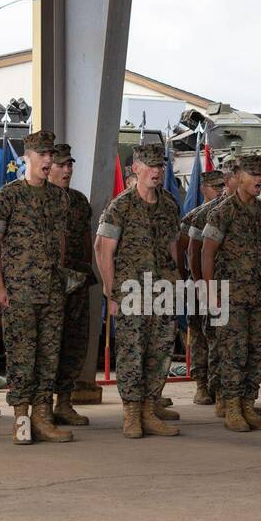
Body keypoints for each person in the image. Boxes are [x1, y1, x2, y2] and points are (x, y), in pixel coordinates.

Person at [0, 130, 73, 443]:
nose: (48, 161)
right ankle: (21, 421)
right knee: (22, 358)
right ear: (27, 158)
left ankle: (42, 417)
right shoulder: (7, 196)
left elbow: (60, 240)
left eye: (51, 155)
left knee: (48, 357)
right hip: (19, 292)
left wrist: (59, 275)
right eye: (42, 155)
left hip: (51, 291)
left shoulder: (58, 197)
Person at [95, 143, 182, 437]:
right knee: (132, 353)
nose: (157, 171)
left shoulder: (169, 205)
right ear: (136, 169)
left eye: (161, 166)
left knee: (160, 352)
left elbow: (172, 246)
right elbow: (104, 251)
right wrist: (111, 293)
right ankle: (131, 414)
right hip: (131, 292)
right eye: (151, 166)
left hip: (163, 291)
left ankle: (149, 410)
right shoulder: (121, 206)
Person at [201, 153, 261, 432]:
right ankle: (231, 406)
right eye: (253, 175)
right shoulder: (222, 212)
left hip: (259, 296)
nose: (258, 180)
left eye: (260, 175)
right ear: (238, 177)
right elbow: (206, 253)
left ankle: (248, 404)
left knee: (258, 351)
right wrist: (210, 291)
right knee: (233, 353)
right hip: (230, 295)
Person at [50, 142, 94, 427]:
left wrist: (87, 271)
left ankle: (64, 403)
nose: (67, 170)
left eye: (70, 165)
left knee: (74, 344)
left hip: (77, 281)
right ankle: (40, 406)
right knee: (47, 346)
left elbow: (87, 239)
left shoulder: (79, 201)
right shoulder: (39, 198)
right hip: (48, 284)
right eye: (61, 165)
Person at [180, 168, 225, 405]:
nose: (219, 191)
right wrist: (196, 281)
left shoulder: (224, 212)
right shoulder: (196, 216)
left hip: (221, 285)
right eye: (214, 186)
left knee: (219, 334)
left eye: (221, 186)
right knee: (198, 332)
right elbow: (186, 250)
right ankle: (201, 384)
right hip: (197, 284)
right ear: (203, 189)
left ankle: (218, 385)